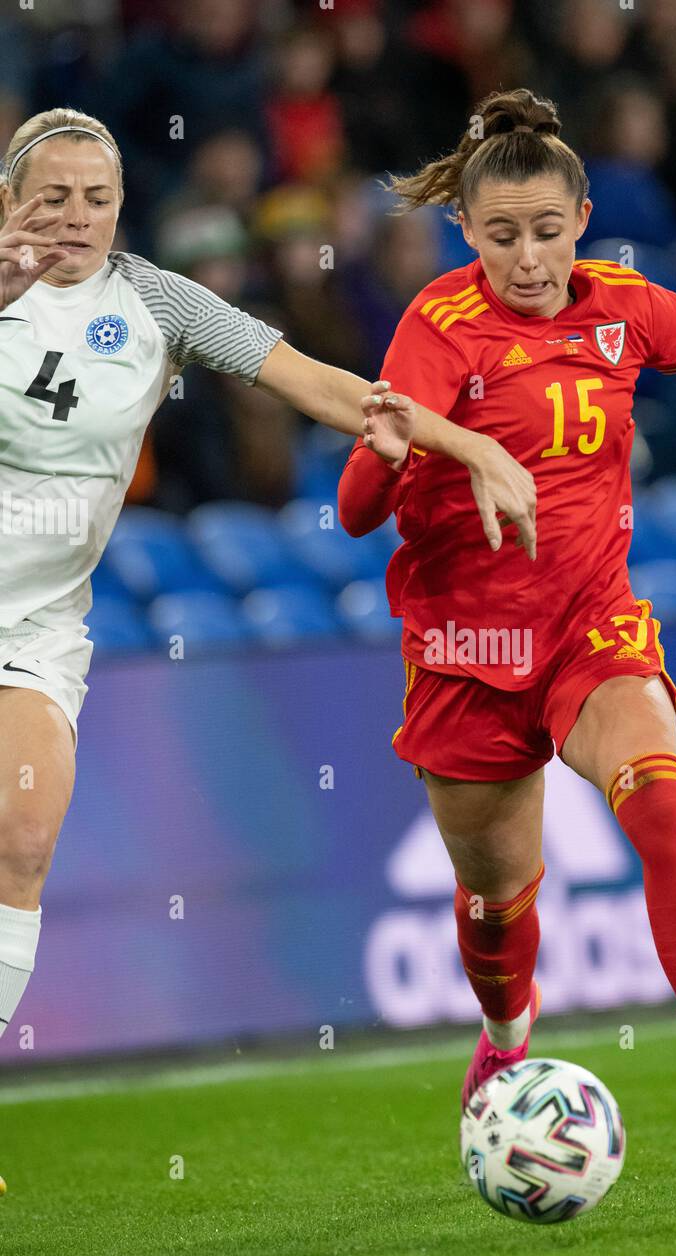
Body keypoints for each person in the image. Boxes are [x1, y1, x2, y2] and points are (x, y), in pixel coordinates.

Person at [338, 89, 676, 1154]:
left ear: (584, 215)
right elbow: (358, 513)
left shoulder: (625, 308)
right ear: (466, 231)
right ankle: (507, 1037)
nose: (530, 257)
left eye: (548, 230)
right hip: (465, 649)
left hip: (592, 625)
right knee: (496, 902)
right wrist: (392, 447)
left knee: (661, 801)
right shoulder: (436, 329)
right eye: (502, 235)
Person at [0, 108, 534, 1062]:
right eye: (52, 198)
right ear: (9, 202)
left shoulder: (156, 303)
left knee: (24, 838)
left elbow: (327, 386)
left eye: (98, 199)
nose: (76, 217)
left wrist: (470, 445)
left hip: (34, 621)